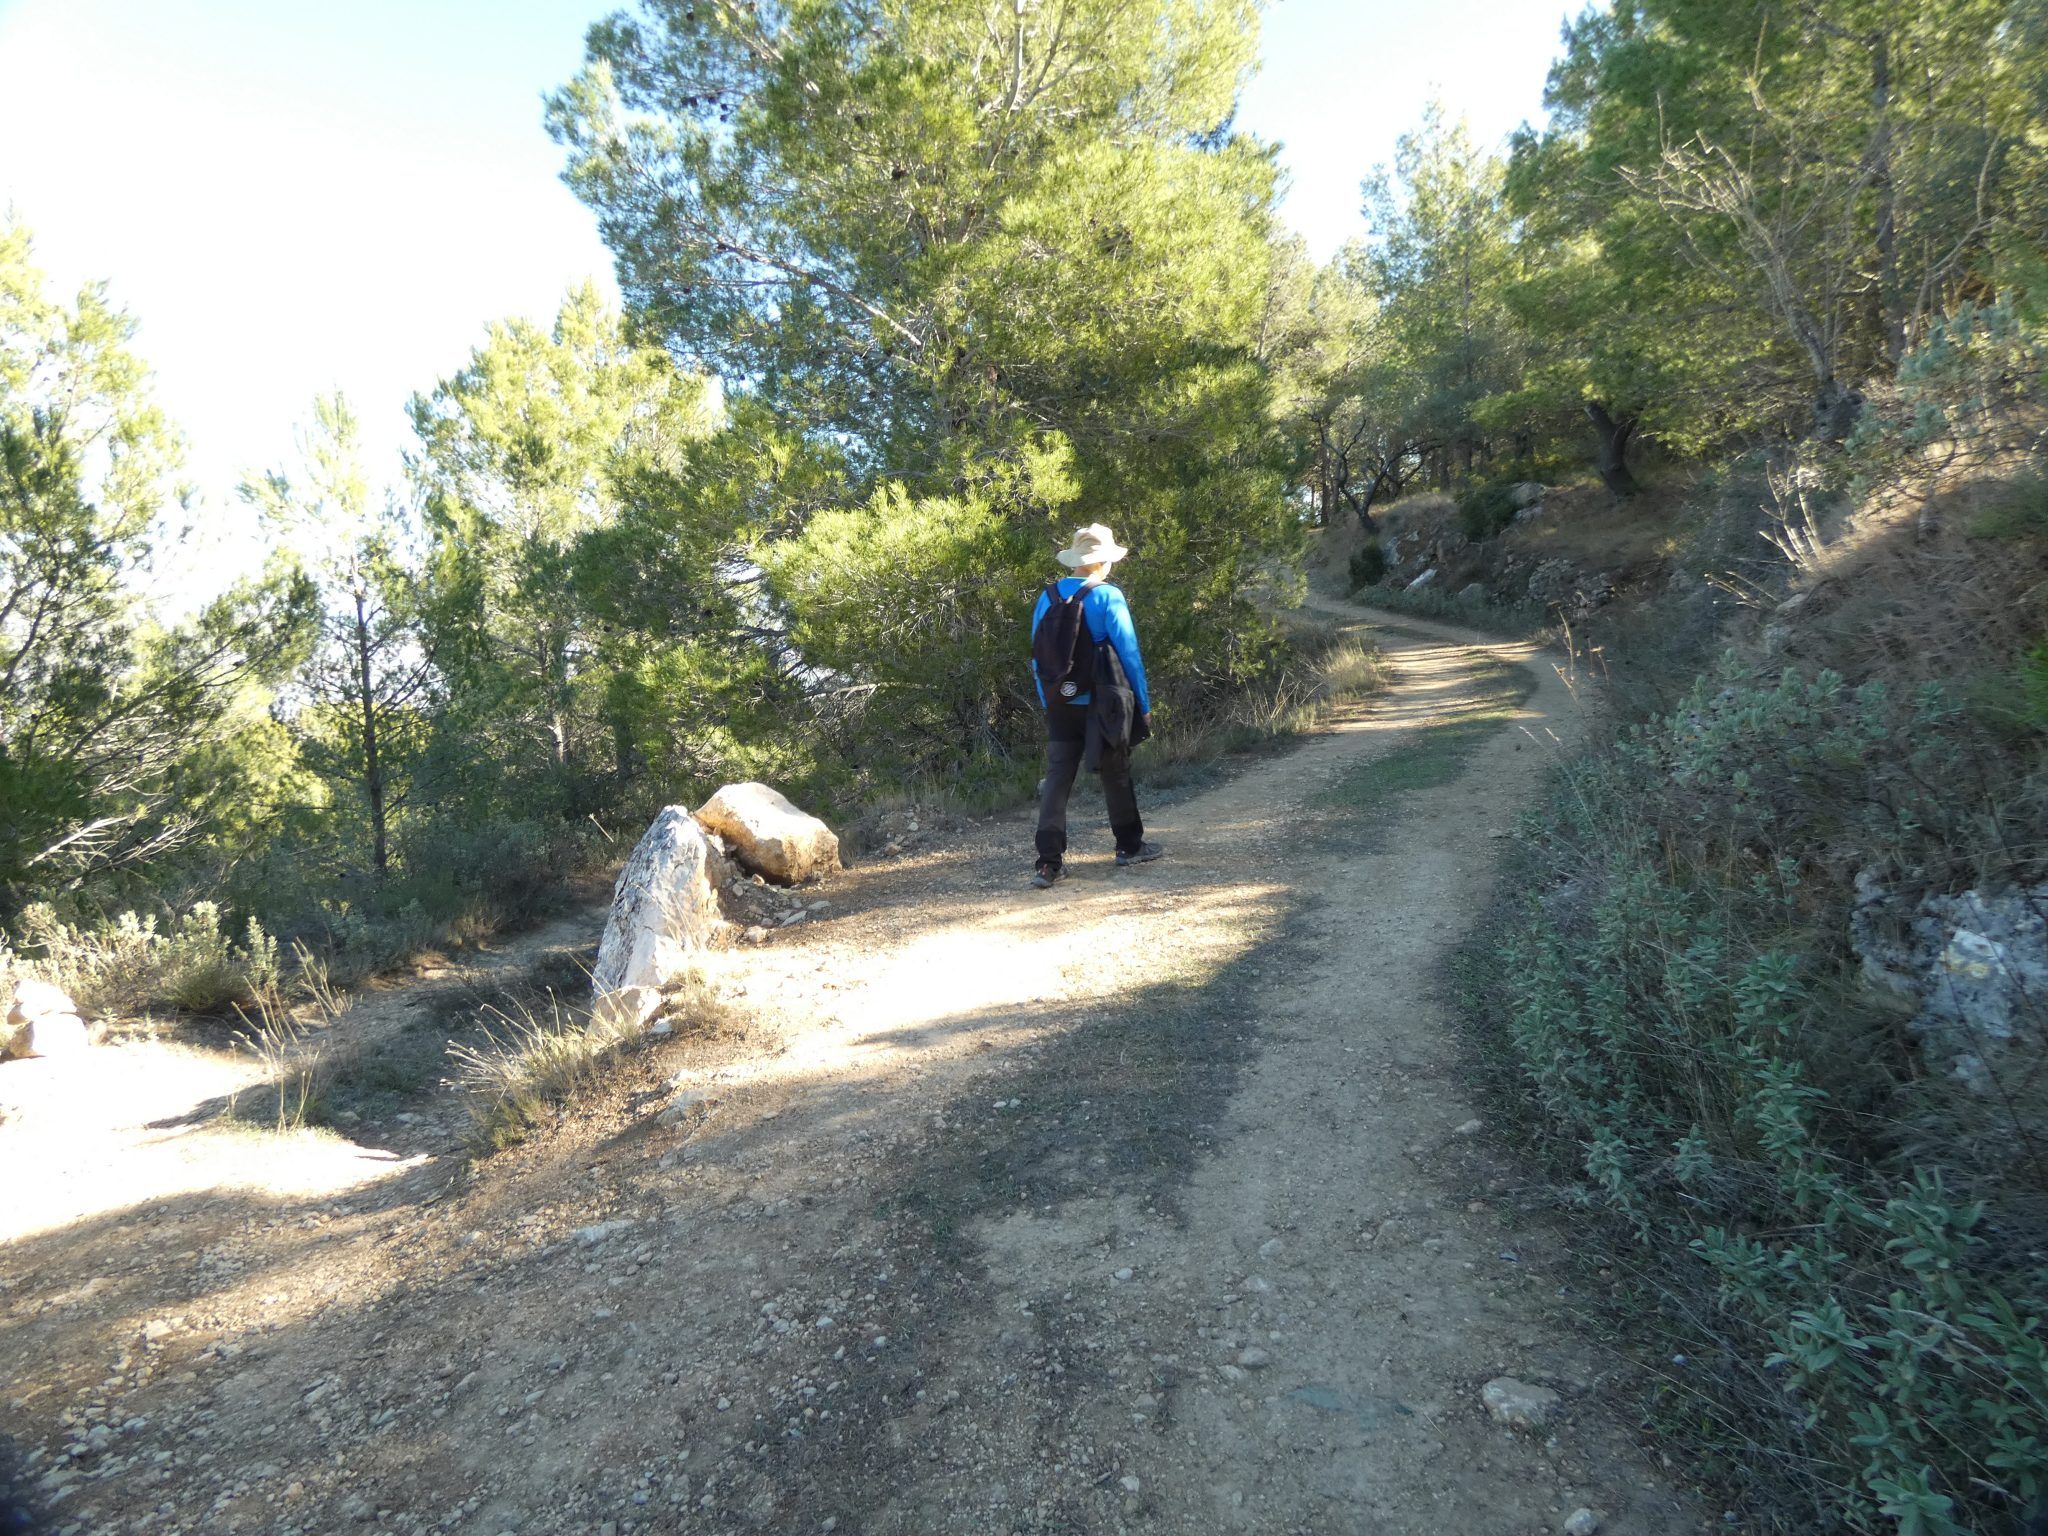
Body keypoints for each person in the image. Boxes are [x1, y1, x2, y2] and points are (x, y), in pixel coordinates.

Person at [1028, 523, 1163, 888]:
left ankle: (1048, 864)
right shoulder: (1107, 596)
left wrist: (1049, 700)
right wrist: (1143, 704)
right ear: (1103, 561)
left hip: (1060, 701)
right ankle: (1129, 847)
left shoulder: (1047, 598)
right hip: (1103, 702)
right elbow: (1129, 655)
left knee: (1057, 778)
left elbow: (1037, 656)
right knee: (1115, 772)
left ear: (1075, 560)